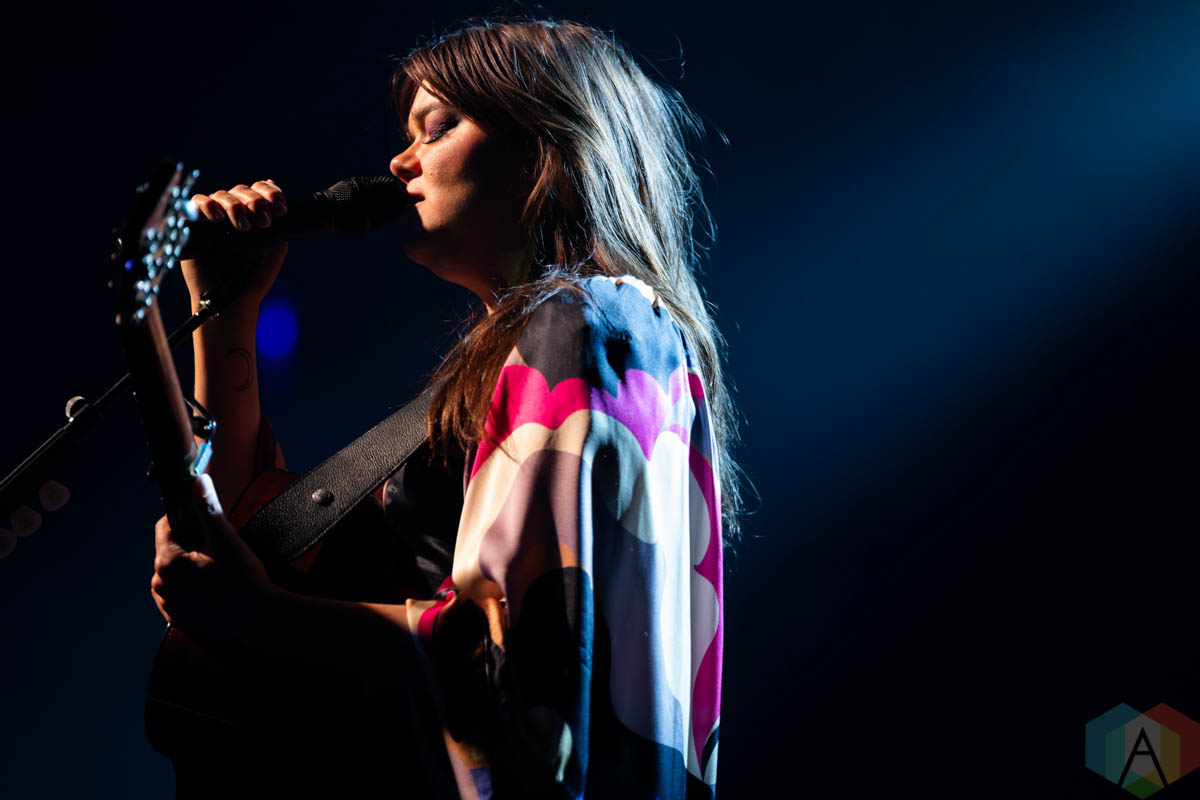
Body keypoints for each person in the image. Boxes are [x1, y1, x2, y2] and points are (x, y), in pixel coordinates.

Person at [151, 17, 743, 799]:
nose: (399, 160)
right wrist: (224, 314)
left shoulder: (584, 321)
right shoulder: (588, 338)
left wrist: (263, 617)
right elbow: (250, 540)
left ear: (550, 144)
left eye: (439, 126)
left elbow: (503, 653)